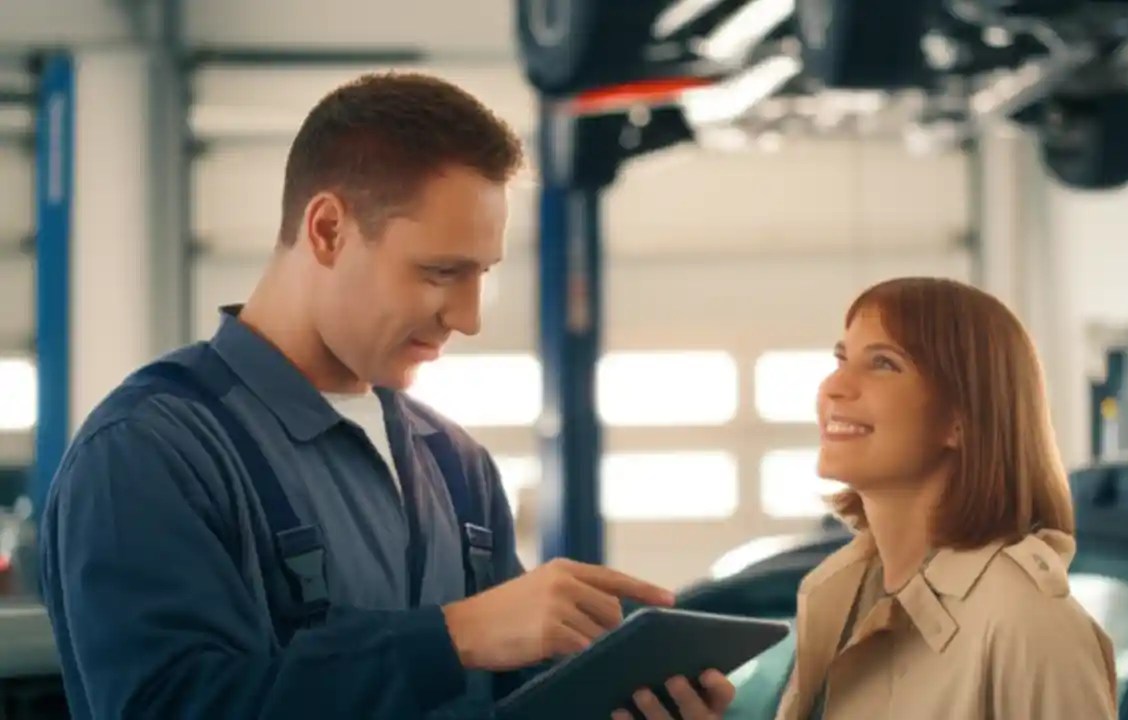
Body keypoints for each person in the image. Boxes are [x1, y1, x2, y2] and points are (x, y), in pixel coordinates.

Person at [39, 72, 735, 720]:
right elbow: (168, 706)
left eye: (481, 275)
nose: (468, 317)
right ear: (328, 229)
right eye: (440, 272)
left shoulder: (455, 466)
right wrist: (453, 636)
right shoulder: (149, 453)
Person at [775, 277, 1117, 719]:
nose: (834, 387)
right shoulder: (837, 595)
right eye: (842, 358)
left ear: (960, 418)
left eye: (883, 363)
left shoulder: (1030, 625)